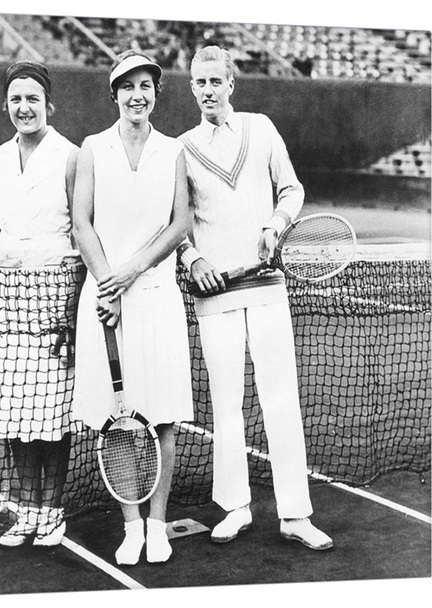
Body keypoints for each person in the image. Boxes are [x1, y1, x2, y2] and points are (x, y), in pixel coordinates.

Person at [177, 45, 333, 550]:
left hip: (266, 288)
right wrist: (191, 259)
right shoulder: (180, 148)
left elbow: (291, 189)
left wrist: (274, 228)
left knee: (280, 397)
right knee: (225, 404)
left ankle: (295, 515)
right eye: (199, 83)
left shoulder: (261, 128)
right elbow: (173, 223)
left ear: (231, 85)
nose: (207, 91)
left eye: (215, 82)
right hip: (214, 295)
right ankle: (235, 508)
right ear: (192, 88)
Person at [71, 49, 194, 566]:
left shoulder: (174, 151)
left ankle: (159, 523)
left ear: (155, 93)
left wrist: (133, 270)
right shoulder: (92, 149)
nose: (137, 95)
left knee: (161, 417)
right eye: (127, 86)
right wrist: (107, 285)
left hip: (156, 295)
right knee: (118, 422)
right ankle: (131, 526)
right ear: (114, 93)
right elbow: (82, 223)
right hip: (105, 302)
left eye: (146, 85)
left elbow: (180, 225)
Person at [0, 61, 80, 548]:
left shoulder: (71, 156)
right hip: (7, 295)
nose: (24, 107)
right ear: (6, 105)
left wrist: (71, 309)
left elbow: (81, 234)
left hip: (55, 293)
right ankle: (28, 508)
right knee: (15, 410)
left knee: (51, 414)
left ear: (48, 104)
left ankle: (54, 509)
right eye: (16, 99)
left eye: (33, 98)